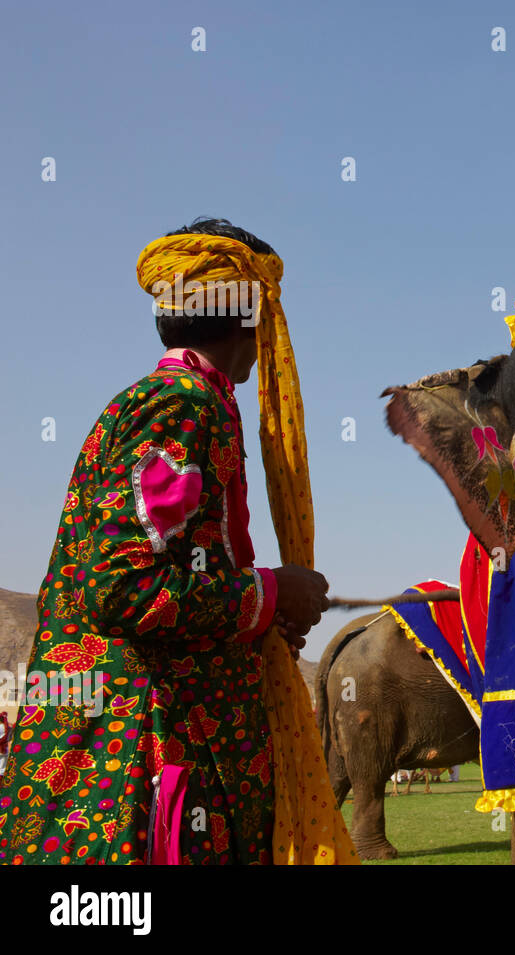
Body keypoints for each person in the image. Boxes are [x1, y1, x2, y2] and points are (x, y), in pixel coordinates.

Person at [0, 218, 330, 864]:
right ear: (250, 314)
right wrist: (270, 592)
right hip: (140, 757)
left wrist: (255, 622)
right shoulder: (179, 407)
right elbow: (124, 587)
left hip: (157, 742)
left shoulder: (177, 401)